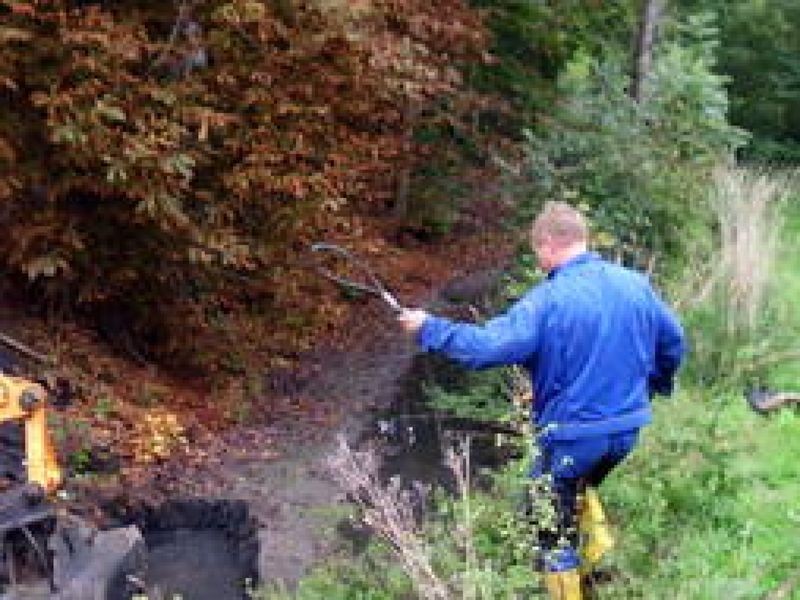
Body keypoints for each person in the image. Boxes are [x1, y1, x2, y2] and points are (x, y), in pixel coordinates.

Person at [398, 201, 685, 599]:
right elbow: (673, 342)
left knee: (545, 521)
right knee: (573, 490)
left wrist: (430, 328)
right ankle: (596, 564)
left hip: (574, 435)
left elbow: (488, 348)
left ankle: (573, 582)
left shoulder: (546, 299)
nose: (538, 262)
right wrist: (652, 386)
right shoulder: (635, 284)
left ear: (549, 244)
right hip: (627, 430)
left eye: (537, 253)